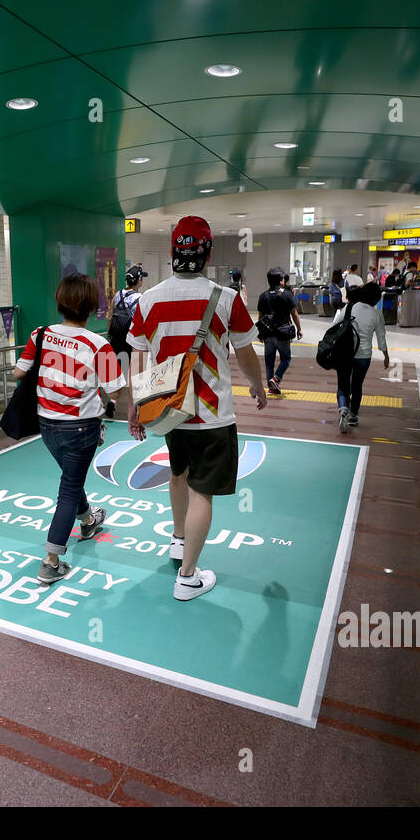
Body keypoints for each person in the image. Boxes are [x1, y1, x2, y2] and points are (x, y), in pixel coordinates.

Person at [126, 216, 267, 601]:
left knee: (178, 476)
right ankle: (188, 577)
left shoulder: (148, 299)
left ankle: (177, 540)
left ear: (174, 253)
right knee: (201, 492)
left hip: (169, 411)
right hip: (211, 414)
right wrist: (258, 384)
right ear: (207, 254)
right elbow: (245, 353)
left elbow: (137, 359)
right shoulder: (227, 298)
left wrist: (135, 407)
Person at [12, 274, 126, 584]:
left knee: (70, 480)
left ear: (60, 302)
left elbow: (17, 373)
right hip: (81, 429)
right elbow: (114, 391)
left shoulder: (41, 334)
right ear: (92, 307)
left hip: (47, 427)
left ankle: (88, 521)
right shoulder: (98, 344)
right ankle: (51, 561)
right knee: (69, 488)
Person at [329, 281, 390, 434]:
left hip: (345, 353)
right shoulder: (376, 313)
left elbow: (334, 326)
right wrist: (385, 355)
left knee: (343, 386)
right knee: (357, 386)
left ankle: (343, 409)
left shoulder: (350, 307)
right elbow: (381, 337)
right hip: (364, 356)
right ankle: (354, 417)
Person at [257, 267, 302, 397]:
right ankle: (276, 379)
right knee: (286, 359)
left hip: (268, 335)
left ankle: (271, 389)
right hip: (283, 333)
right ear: (281, 281)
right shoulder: (287, 294)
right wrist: (299, 329)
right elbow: (294, 314)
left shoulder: (263, 296)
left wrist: (260, 333)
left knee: (269, 362)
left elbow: (260, 317)